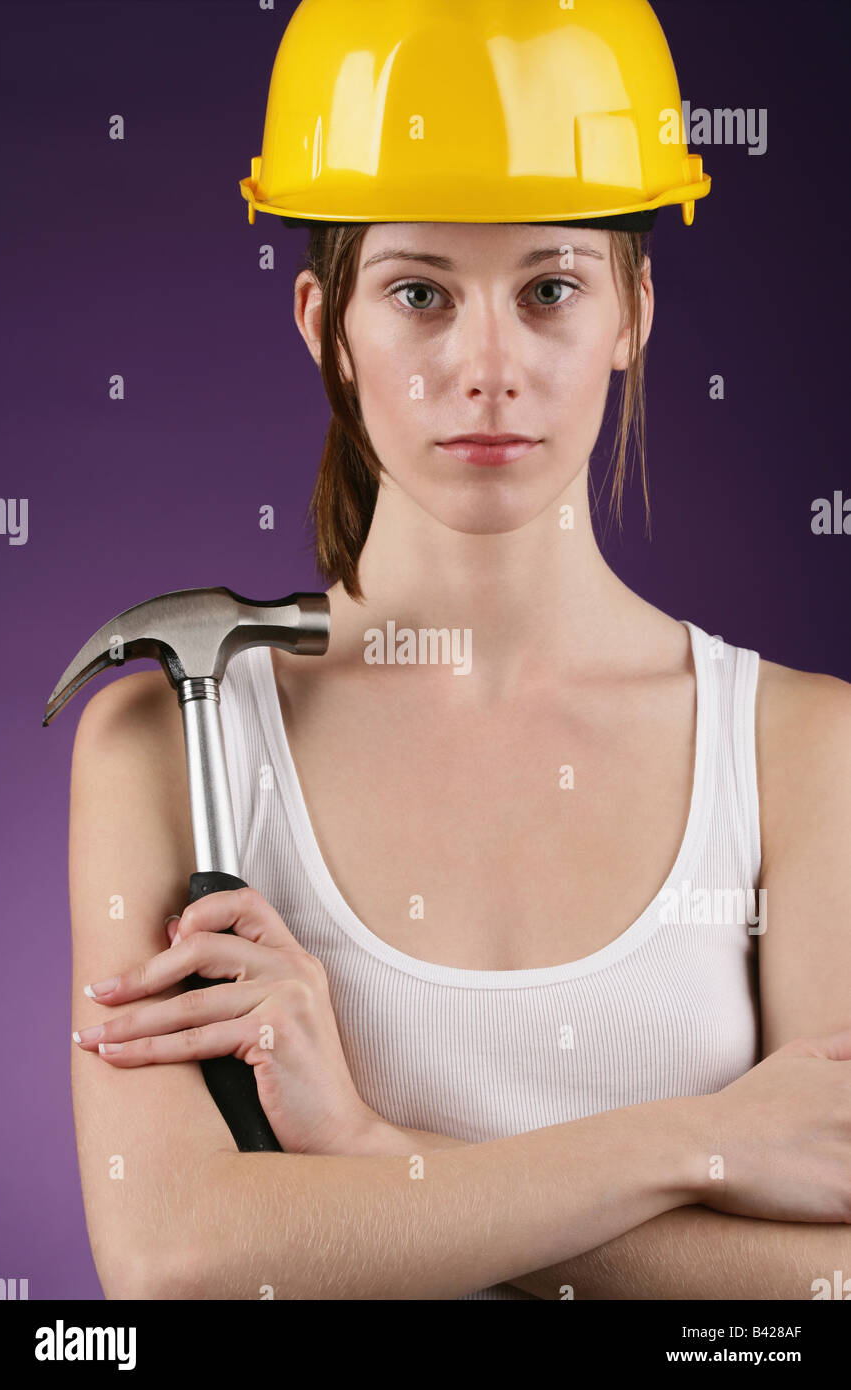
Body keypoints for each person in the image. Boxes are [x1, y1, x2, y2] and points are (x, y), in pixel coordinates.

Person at [67, 0, 851, 1300]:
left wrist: (374, 1155)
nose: (485, 365)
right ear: (326, 323)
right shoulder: (170, 739)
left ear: (631, 312)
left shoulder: (804, 750)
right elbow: (178, 1252)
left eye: (548, 289)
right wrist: (694, 1143)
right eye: (420, 293)